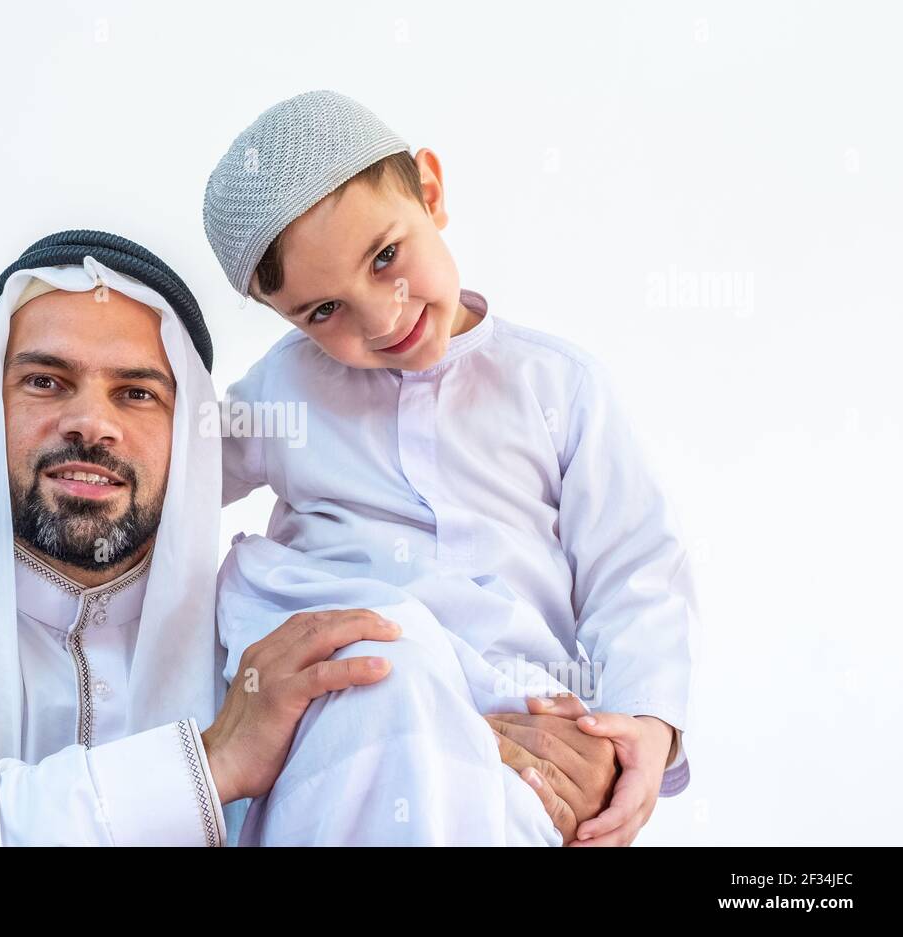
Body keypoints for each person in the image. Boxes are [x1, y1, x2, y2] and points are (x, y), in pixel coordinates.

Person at [0, 230, 401, 845]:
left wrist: (461, 733)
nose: (92, 424)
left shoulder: (259, 630)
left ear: (191, 438)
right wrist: (202, 768)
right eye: (46, 381)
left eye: (136, 393)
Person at [202, 90, 696, 845]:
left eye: (385, 257)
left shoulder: (557, 386)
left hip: (523, 714)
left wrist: (647, 724)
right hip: (356, 698)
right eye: (322, 312)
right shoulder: (284, 389)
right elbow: (172, 483)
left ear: (430, 191)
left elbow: (635, 573)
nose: (381, 316)